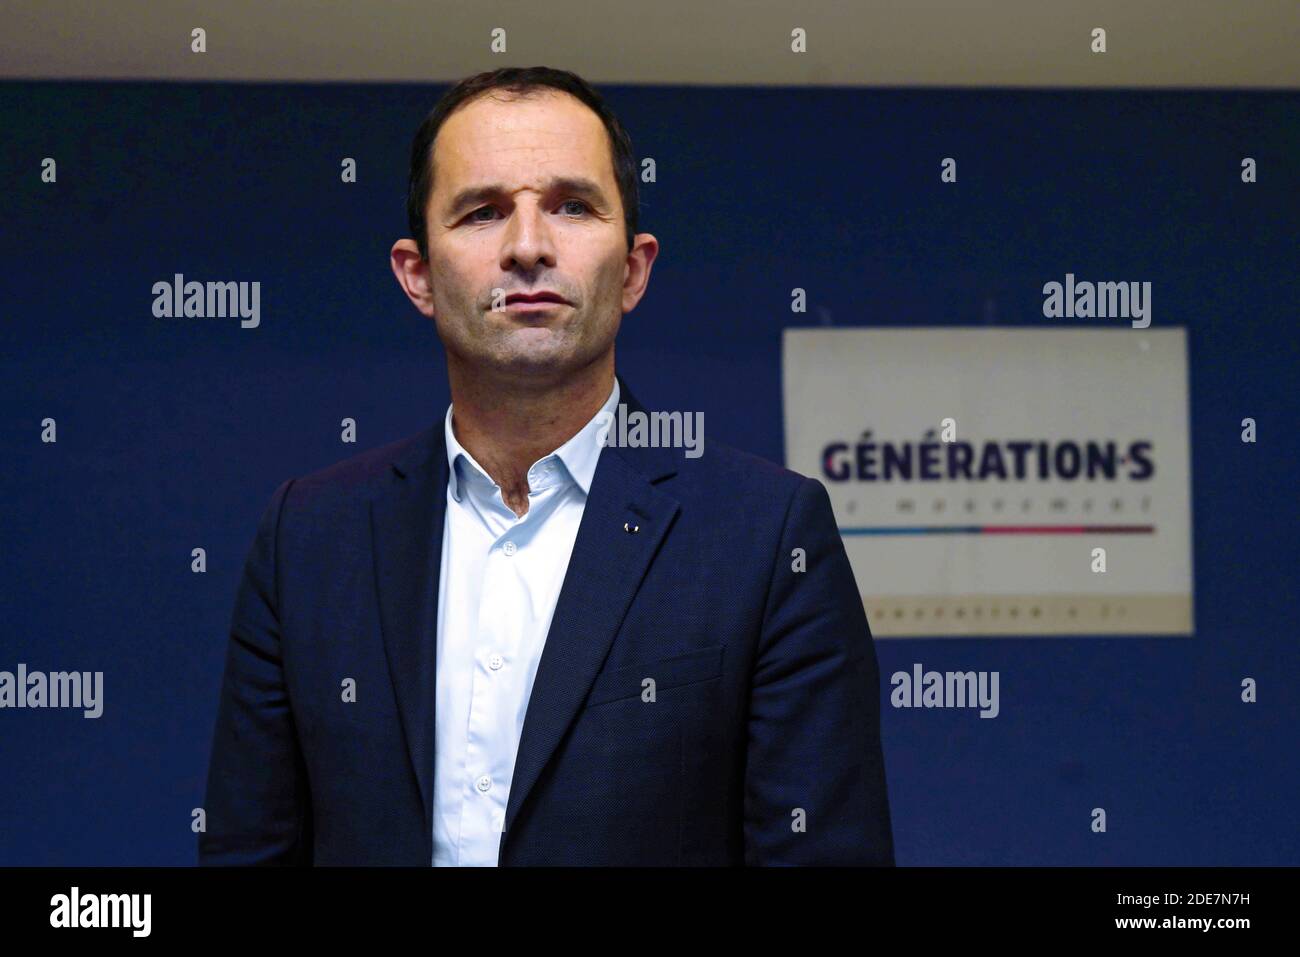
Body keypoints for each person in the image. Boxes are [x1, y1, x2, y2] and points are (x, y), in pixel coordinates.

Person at [199, 66, 894, 866]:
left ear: (633, 268)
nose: (528, 247)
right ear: (416, 275)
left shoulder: (768, 537)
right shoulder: (308, 540)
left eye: (571, 205)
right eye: (483, 211)